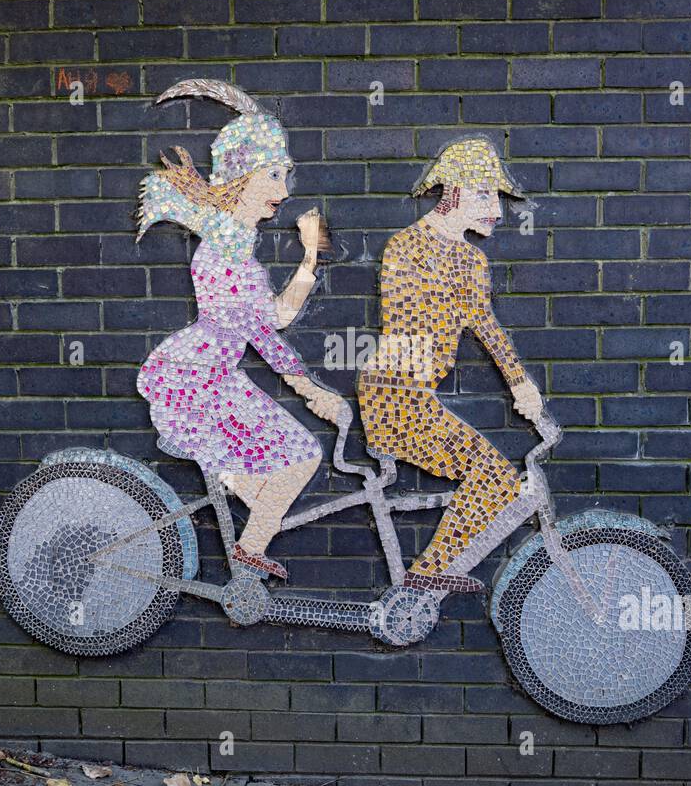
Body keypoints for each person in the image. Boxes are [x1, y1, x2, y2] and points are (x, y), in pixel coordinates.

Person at [134, 79, 345, 582]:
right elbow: (264, 334)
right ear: (242, 179)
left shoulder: (237, 252)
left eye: (285, 176)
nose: (284, 191)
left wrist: (311, 255)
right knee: (301, 457)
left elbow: (273, 316)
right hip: (196, 382)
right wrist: (310, 389)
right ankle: (246, 558)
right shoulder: (224, 255)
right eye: (273, 176)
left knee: (275, 478)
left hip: (210, 379)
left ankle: (245, 564)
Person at [358, 138, 544, 594]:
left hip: (418, 396)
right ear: (453, 192)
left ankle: (430, 569)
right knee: (493, 475)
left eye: (496, 198)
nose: (496, 211)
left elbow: (487, 326)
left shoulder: (471, 260)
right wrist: (451, 299)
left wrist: (521, 384)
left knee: (490, 475)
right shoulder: (405, 248)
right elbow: (404, 327)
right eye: (484, 195)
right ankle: (428, 571)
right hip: (393, 394)